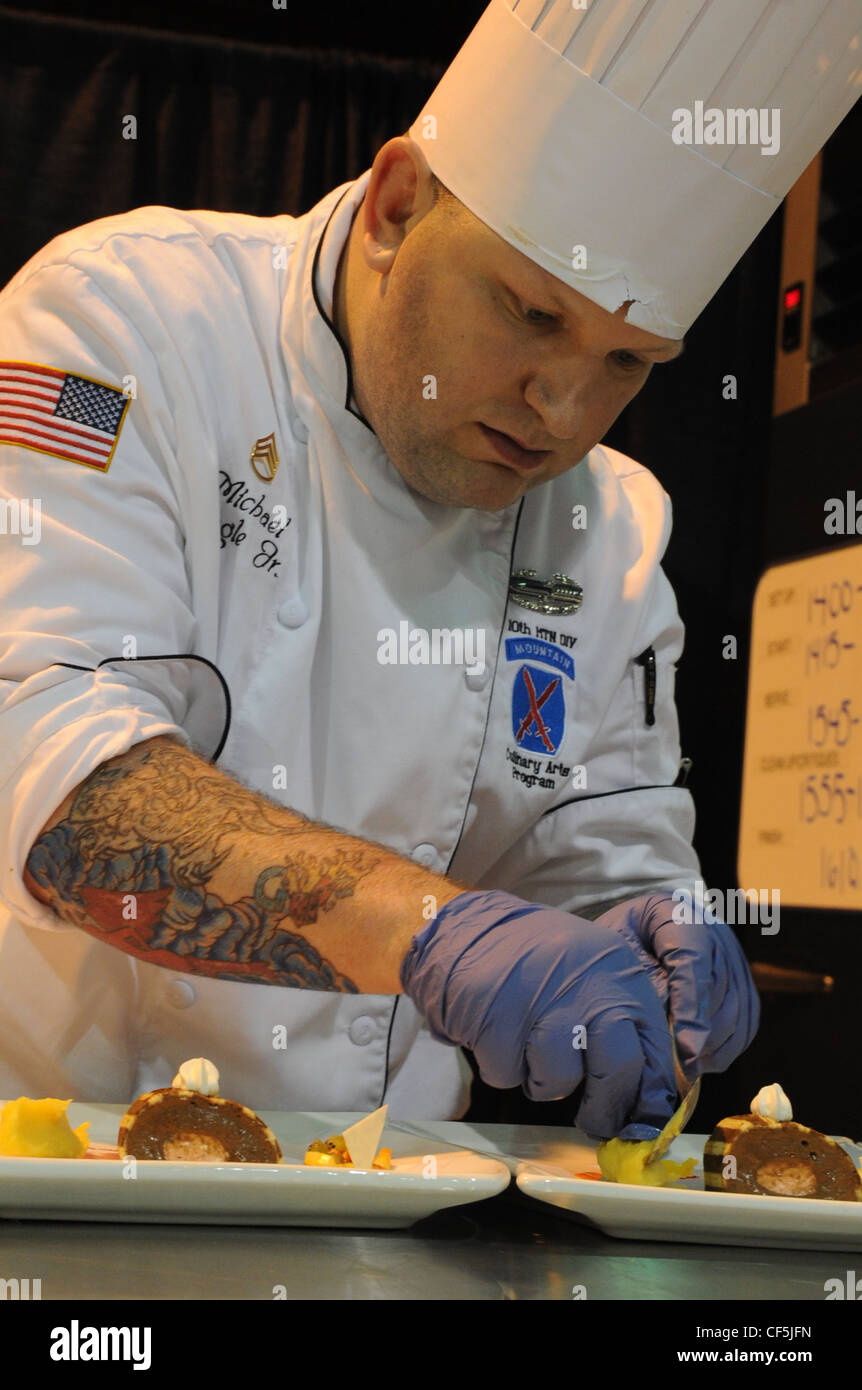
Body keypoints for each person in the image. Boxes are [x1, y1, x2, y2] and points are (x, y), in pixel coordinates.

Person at [1, 0, 857, 1134]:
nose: (562, 410)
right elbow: (48, 778)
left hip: (386, 1189)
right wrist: (431, 930)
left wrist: (651, 925)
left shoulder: (609, 519)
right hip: (54, 1157)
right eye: (528, 312)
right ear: (398, 206)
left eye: (626, 362)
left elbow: (601, 841)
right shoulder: (106, 325)